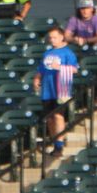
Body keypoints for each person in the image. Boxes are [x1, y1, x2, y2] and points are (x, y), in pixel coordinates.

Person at [33, 26, 78, 158]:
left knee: (58, 115)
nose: (52, 40)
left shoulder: (67, 53)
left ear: (61, 37)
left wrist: (60, 67)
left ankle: (59, 144)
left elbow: (75, 69)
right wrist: (37, 78)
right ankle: (55, 141)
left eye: (54, 37)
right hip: (47, 88)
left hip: (60, 88)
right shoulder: (47, 53)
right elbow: (41, 69)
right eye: (50, 38)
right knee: (49, 118)